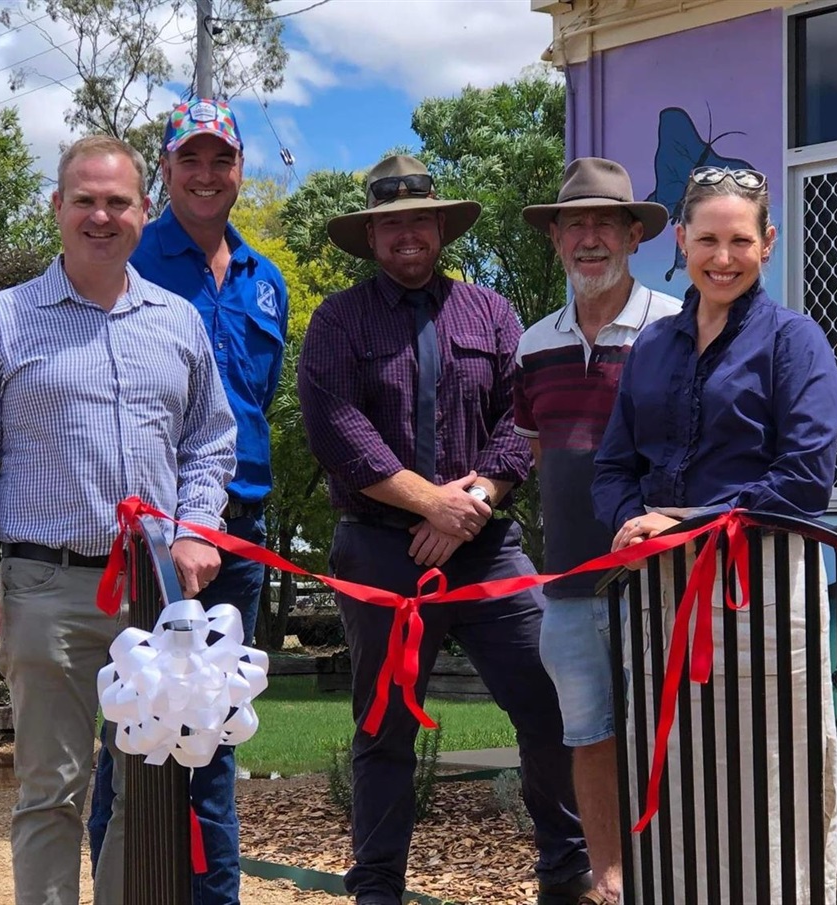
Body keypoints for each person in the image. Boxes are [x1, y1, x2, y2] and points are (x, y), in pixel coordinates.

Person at [0, 134, 237, 905]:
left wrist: (197, 524)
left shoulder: (177, 323)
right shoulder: (1, 322)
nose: (101, 216)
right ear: (58, 208)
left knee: (150, 795)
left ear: (144, 210)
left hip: (155, 593)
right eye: (85, 200)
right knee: (52, 791)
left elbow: (212, 439)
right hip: (45, 588)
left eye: (118, 202)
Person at [297, 155, 592, 905]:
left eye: (419, 220)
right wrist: (431, 504)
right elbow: (337, 429)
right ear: (371, 235)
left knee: (547, 702)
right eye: (390, 223)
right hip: (378, 547)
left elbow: (518, 422)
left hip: (486, 545)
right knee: (384, 725)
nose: (407, 235)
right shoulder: (338, 320)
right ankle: (378, 887)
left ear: (440, 227)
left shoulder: (491, 314)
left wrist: (472, 505)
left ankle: (568, 869)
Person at [591, 165, 837, 904]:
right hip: (662, 595)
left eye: (740, 239)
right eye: (708, 238)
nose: (723, 256)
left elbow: (806, 478)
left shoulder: (796, 341)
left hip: (761, 592)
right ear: (680, 241)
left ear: (768, 243)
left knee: (773, 787)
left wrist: (686, 520)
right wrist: (632, 525)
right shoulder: (651, 347)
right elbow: (613, 466)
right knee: (673, 782)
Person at [86, 97, 288, 905]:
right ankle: (125, 891)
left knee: (216, 735)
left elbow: (254, 400)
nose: (206, 175)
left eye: (221, 159)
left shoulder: (263, 280)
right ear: (164, 169)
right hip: (151, 546)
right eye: (189, 160)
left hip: (239, 539)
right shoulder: (129, 262)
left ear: (240, 169)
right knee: (132, 733)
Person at [515, 157, 682, 905]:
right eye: (574, 222)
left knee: (669, 732)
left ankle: (675, 873)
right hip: (571, 578)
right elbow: (530, 447)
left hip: (660, 578)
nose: (590, 238)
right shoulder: (531, 345)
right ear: (554, 237)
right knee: (586, 731)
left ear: (632, 236)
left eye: (605, 223)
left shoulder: (676, 329)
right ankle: (611, 881)